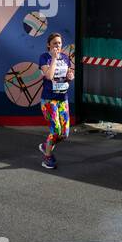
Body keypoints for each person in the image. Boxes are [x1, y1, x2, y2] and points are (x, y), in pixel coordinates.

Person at [37, 32, 74, 170]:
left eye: (59, 43)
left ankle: (47, 145)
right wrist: (53, 58)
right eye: (54, 43)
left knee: (65, 133)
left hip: (63, 100)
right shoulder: (44, 58)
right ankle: (47, 157)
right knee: (56, 129)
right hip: (49, 100)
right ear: (49, 45)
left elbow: (67, 75)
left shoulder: (65, 58)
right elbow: (49, 76)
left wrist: (70, 76)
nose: (57, 46)